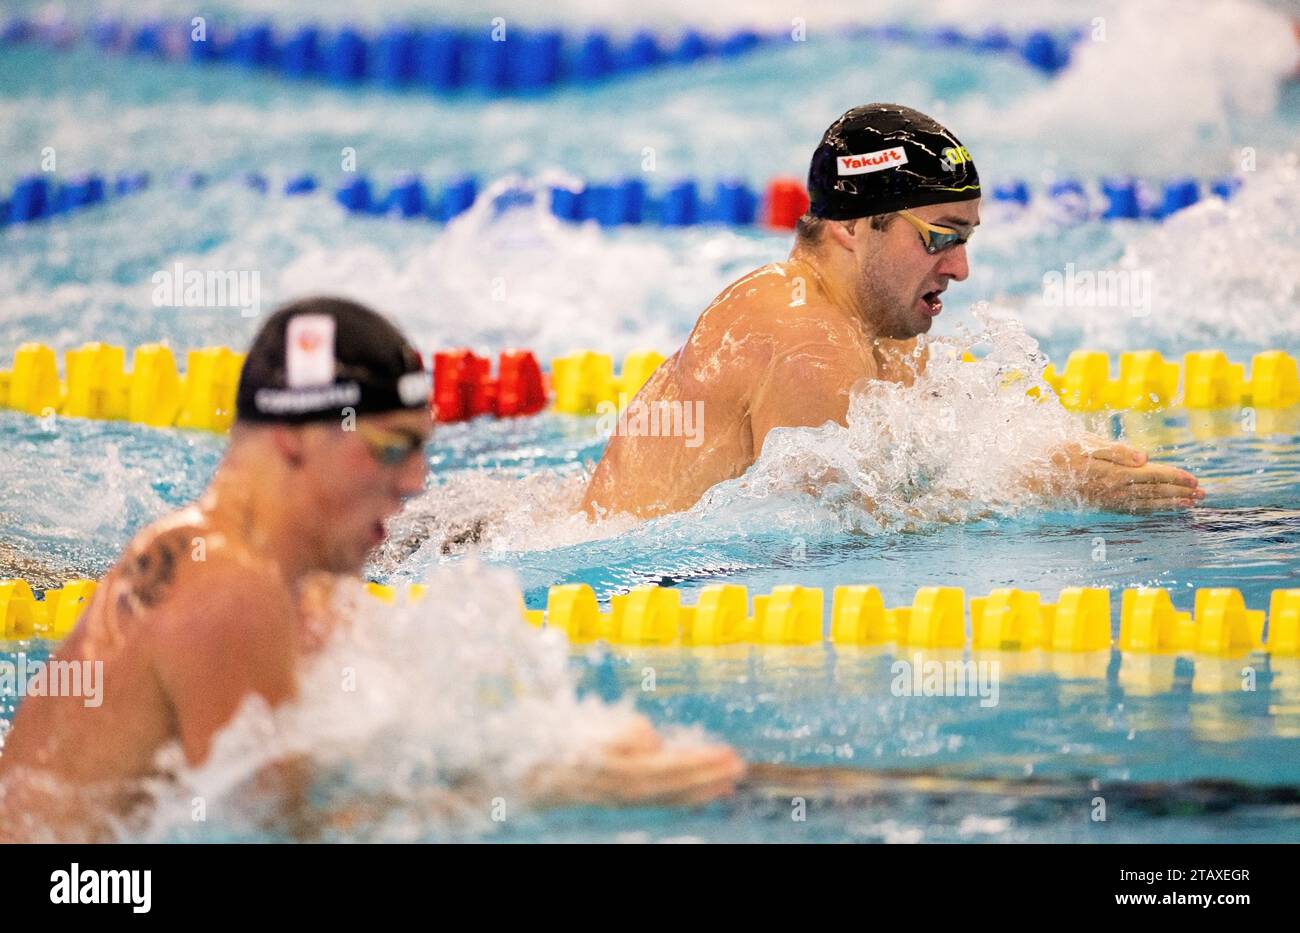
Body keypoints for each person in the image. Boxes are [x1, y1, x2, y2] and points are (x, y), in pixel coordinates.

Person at [0, 297, 743, 841]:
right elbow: (281, 832)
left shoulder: (300, 580)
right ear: (296, 438)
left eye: (421, 447)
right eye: (390, 448)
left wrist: (568, 743)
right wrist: (563, 788)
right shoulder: (225, 584)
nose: (417, 479)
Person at [582, 103, 1204, 519]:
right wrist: (1049, 487)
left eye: (966, 239)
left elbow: (945, 459)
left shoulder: (879, 328)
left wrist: (1086, 463)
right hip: (645, 593)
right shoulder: (800, 333)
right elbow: (829, 537)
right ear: (854, 228)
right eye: (940, 236)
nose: (960, 268)